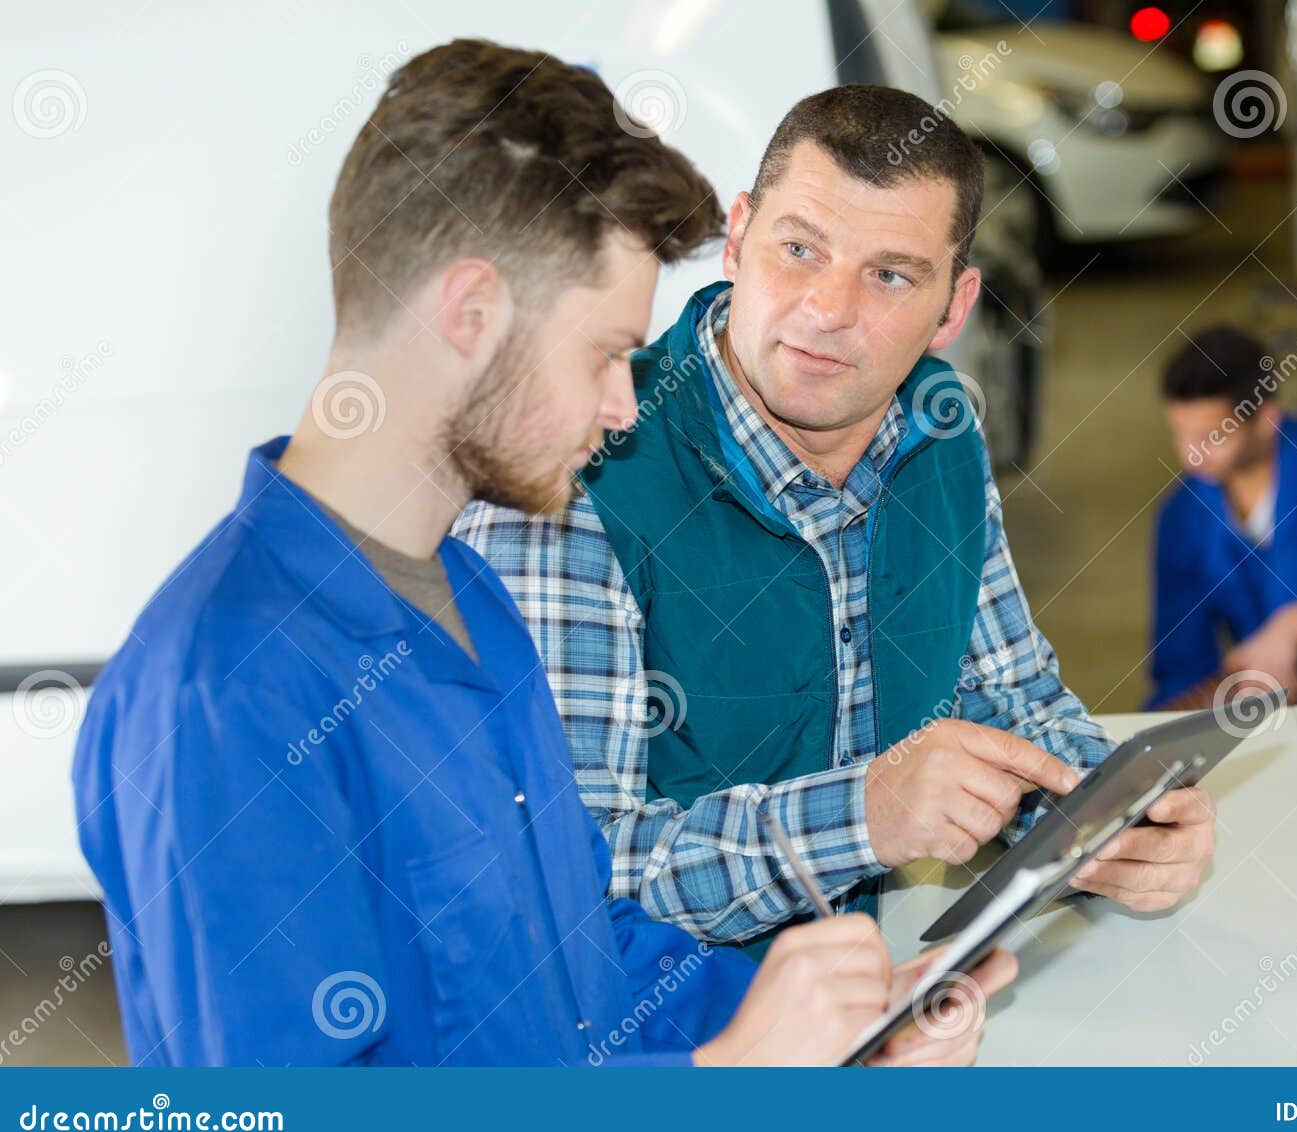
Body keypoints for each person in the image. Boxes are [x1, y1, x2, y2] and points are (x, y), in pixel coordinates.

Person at [71, 41, 1013, 1067]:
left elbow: (582, 966)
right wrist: (730, 1075)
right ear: (472, 316)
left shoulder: (470, 600)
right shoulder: (226, 690)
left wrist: (842, 1027)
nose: (623, 408)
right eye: (605, 353)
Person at [455, 85, 1217, 954]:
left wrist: (1106, 815)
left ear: (953, 308)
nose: (827, 310)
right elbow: (568, 872)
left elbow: (1009, 696)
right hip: (672, 1024)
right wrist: (865, 815)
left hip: (892, 968)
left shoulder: (939, 430)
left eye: (890, 275)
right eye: (799, 250)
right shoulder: (578, 472)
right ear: (737, 238)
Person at [1149, 326, 1297, 707]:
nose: (1190, 455)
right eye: (1180, 435)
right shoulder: (1182, 517)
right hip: (1268, 693)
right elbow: (1181, 660)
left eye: (1211, 437)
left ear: (1266, 418)